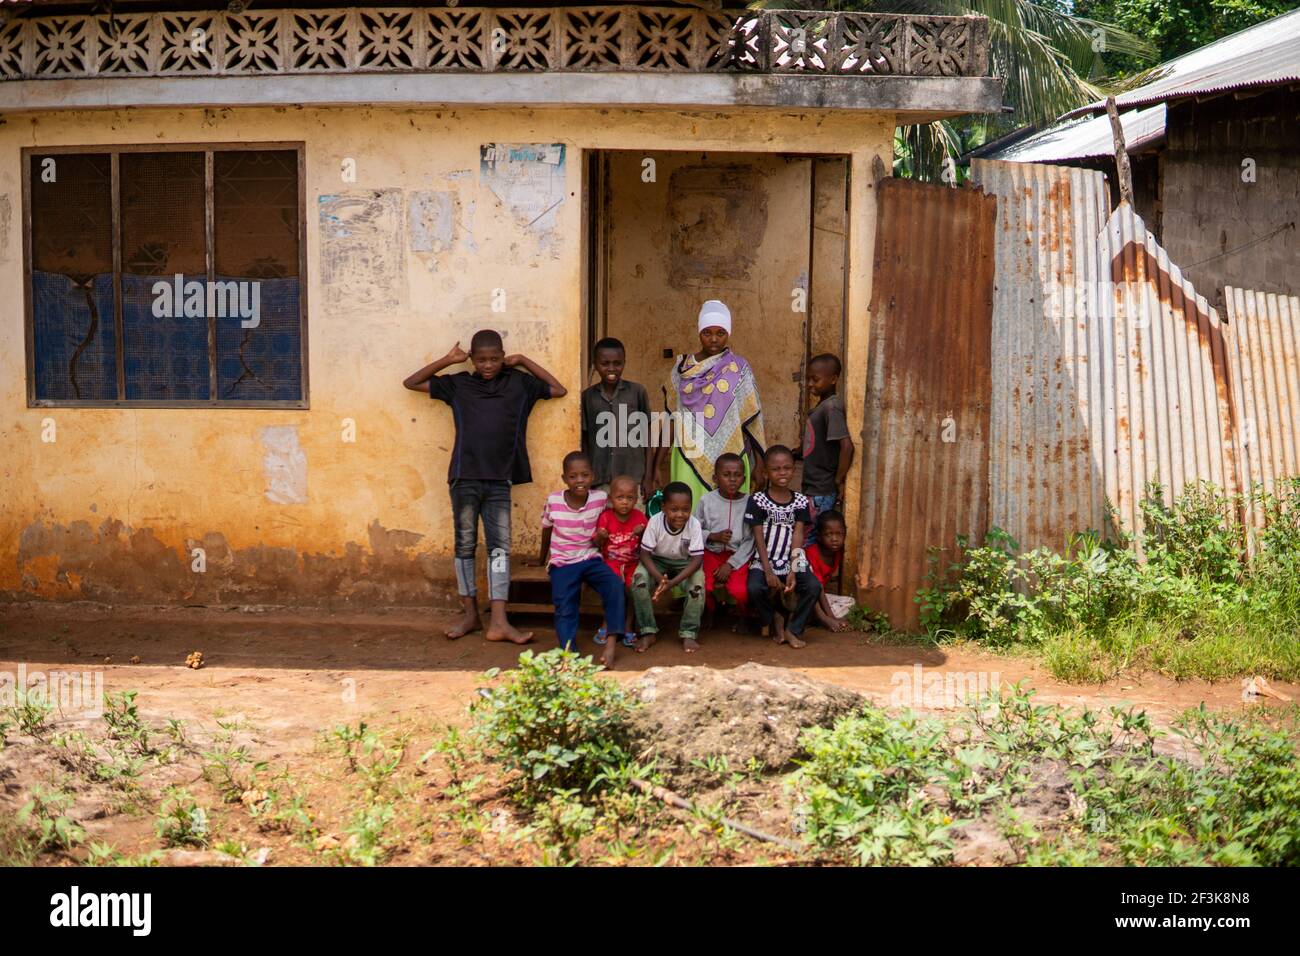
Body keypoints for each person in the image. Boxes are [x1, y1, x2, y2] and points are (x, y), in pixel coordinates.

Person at [402, 329, 566, 644]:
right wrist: (449, 360)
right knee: (464, 546)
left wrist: (523, 360)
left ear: (503, 357)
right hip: (464, 477)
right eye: (481, 360)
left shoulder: (519, 383)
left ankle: (500, 621)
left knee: (499, 549)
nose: (488, 365)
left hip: (500, 480)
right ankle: (470, 614)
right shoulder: (459, 384)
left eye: (495, 359)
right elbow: (410, 383)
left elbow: (558, 389)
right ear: (473, 360)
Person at [652, 300, 765, 507]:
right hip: (688, 455)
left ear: (728, 333)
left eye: (720, 333)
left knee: (729, 523)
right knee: (688, 515)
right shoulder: (681, 369)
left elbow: (753, 418)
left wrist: (760, 464)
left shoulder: (739, 369)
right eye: (707, 332)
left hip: (731, 459)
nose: (713, 339)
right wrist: (657, 466)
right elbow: (670, 418)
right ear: (699, 332)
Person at [537, 452, 628, 668]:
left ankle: (611, 643)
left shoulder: (600, 499)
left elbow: (614, 519)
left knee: (615, 586)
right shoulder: (554, 501)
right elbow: (546, 531)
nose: (580, 481)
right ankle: (570, 652)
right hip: (563, 561)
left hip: (590, 557)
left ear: (593, 476)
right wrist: (541, 559)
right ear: (564, 479)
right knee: (565, 604)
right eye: (573, 476)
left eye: (585, 475)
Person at [746, 445, 821, 648]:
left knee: (813, 586)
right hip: (765, 558)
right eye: (776, 469)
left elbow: (798, 535)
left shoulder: (800, 501)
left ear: (794, 470)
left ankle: (793, 629)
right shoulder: (757, 500)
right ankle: (775, 618)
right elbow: (758, 537)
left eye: (787, 468)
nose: (782, 473)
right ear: (766, 473)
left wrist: (794, 570)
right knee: (754, 588)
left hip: (792, 558)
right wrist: (768, 570)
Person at [632, 481, 706, 653]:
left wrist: (671, 583)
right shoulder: (655, 522)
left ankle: (689, 632)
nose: (680, 514)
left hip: (684, 564)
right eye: (674, 509)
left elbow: (696, 560)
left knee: (697, 585)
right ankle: (648, 631)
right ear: (663, 508)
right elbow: (644, 554)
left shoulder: (694, 524)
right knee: (639, 581)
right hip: (657, 561)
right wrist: (659, 579)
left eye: (685, 509)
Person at [581, 338, 654, 504]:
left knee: (635, 527)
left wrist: (648, 477)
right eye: (605, 363)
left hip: (633, 479)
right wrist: (587, 477)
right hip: (600, 480)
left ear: (624, 363)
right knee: (604, 527)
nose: (611, 368)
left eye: (617, 363)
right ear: (595, 364)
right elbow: (585, 441)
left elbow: (648, 438)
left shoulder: (637, 392)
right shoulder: (588, 397)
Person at [800, 353, 854, 546]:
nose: (809, 384)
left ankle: (809, 575)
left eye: (815, 379)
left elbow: (846, 446)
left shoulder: (832, 407)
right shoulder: (823, 406)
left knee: (810, 539)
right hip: (814, 488)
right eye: (808, 379)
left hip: (822, 490)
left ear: (833, 379)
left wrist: (838, 481)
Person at [694, 452, 752, 625]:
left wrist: (731, 564)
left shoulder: (750, 503)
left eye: (737, 475)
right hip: (711, 553)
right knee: (703, 586)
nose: (732, 480)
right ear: (715, 478)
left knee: (740, 590)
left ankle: (744, 616)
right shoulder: (707, 500)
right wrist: (712, 536)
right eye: (726, 475)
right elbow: (695, 529)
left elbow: (750, 540)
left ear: (744, 478)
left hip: (738, 556)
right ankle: (711, 610)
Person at [592, 474, 647, 649]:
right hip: (611, 563)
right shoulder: (606, 517)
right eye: (620, 497)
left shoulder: (640, 518)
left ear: (636, 499)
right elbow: (596, 543)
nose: (624, 502)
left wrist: (642, 533)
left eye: (629, 498)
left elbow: (650, 544)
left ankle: (628, 624)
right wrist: (600, 536)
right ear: (611, 499)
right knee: (611, 587)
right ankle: (606, 622)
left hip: (633, 563)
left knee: (633, 589)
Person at [807, 510, 850, 633]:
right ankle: (820, 618)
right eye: (828, 534)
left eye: (839, 534)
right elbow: (817, 588)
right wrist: (830, 617)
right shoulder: (811, 553)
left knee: (850, 602)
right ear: (819, 537)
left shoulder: (839, 553)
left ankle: (815, 617)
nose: (834, 539)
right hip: (807, 596)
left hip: (821, 598)